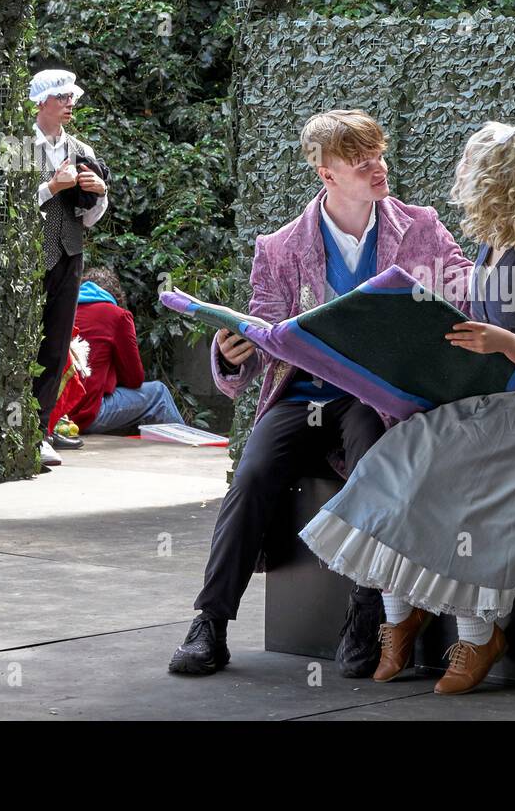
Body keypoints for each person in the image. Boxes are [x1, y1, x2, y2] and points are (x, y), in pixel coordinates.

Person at [168, 109, 475, 679]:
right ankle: (210, 623)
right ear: (327, 173)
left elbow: (465, 294)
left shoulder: (423, 226)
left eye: (380, 156)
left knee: (372, 463)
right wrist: (234, 350)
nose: (379, 169)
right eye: (363, 164)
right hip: (299, 397)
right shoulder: (280, 247)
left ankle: (365, 614)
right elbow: (263, 331)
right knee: (254, 471)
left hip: (374, 398)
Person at [299, 120, 515, 696]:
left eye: (469, 167)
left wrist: (498, 342)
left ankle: (480, 632)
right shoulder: (491, 242)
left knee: (464, 481)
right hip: (492, 392)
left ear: (497, 179)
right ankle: (398, 617)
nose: (460, 176)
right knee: (396, 457)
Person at [29, 68, 109, 467]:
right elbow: (5, 208)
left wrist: (97, 195)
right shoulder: (18, 146)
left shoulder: (81, 149)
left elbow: (90, 217)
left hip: (69, 255)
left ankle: (40, 431)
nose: (69, 104)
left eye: (70, 97)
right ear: (41, 101)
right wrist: (52, 188)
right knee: (23, 343)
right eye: (61, 98)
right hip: (28, 260)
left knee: (57, 345)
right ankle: (17, 429)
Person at [62, 267, 186, 434]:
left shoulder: (63, 312)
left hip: (59, 417)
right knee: (158, 393)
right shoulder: (117, 315)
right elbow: (134, 379)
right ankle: (187, 448)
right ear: (116, 296)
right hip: (87, 415)